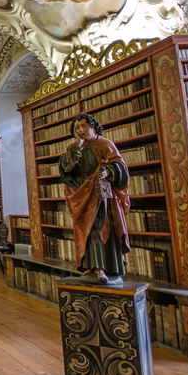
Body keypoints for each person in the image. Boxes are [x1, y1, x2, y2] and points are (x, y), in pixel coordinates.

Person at [58, 113, 131, 284]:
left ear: (94, 127)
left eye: (84, 126)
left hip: (103, 197)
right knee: (87, 232)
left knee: (103, 230)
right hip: (84, 197)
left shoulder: (106, 144)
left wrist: (109, 171)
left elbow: (121, 168)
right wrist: (77, 148)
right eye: (77, 128)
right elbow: (66, 169)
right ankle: (91, 266)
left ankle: (106, 269)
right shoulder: (73, 148)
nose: (81, 130)